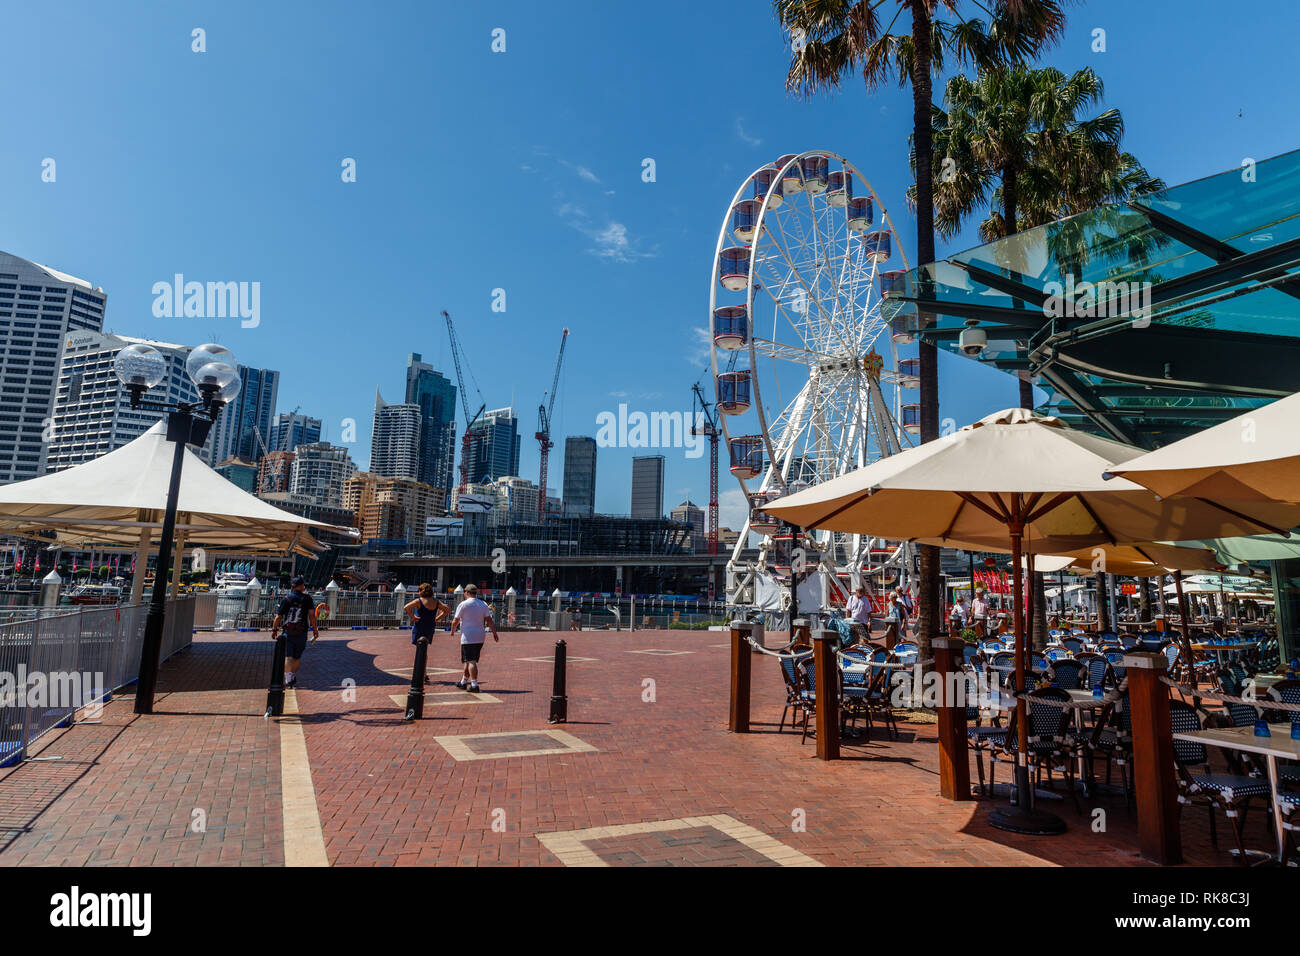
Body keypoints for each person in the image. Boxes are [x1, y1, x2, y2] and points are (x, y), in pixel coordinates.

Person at [450, 583, 499, 692]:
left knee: (471, 661)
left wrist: (452, 631)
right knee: (468, 660)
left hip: (468, 636)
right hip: (480, 636)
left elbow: (455, 620)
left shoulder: (463, 604)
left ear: (466, 593)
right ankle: (463, 682)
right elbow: (489, 620)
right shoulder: (483, 604)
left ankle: (474, 685)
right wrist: (495, 633)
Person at [271, 576, 319, 688]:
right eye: (303, 585)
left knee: (288, 656)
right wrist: (315, 630)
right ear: (301, 586)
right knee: (297, 657)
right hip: (302, 631)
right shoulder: (307, 598)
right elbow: (312, 616)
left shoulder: (286, 599)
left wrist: (274, 630)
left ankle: (288, 679)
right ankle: (292, 676)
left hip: (288, 631)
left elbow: (278, 617)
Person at [403, 583, 449, 682]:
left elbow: (406, 607)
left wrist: (413, 617)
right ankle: (424, 672)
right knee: (424, 649)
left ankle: (421, 673)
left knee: (420, 649)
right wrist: (437, 619)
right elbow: (447, 610)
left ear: (421, 591)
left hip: (419, 626)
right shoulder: (436, 602)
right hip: (430, 627)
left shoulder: (419, 601)